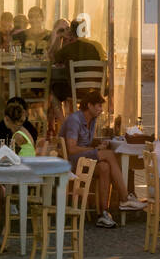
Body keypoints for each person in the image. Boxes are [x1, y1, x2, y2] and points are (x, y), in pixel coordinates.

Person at [62, 90, 145, 228]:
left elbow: (84, 142)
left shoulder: (92, 120)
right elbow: (71, 148)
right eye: (99, 106)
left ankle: (103, 214)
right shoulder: (74, 120)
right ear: (89, 105)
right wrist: (95, 150)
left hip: (84, 159)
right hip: (72, 162)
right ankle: (125, 198)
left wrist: (99, 143)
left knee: (105, 167)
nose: (101, 110)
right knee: (109, 155)